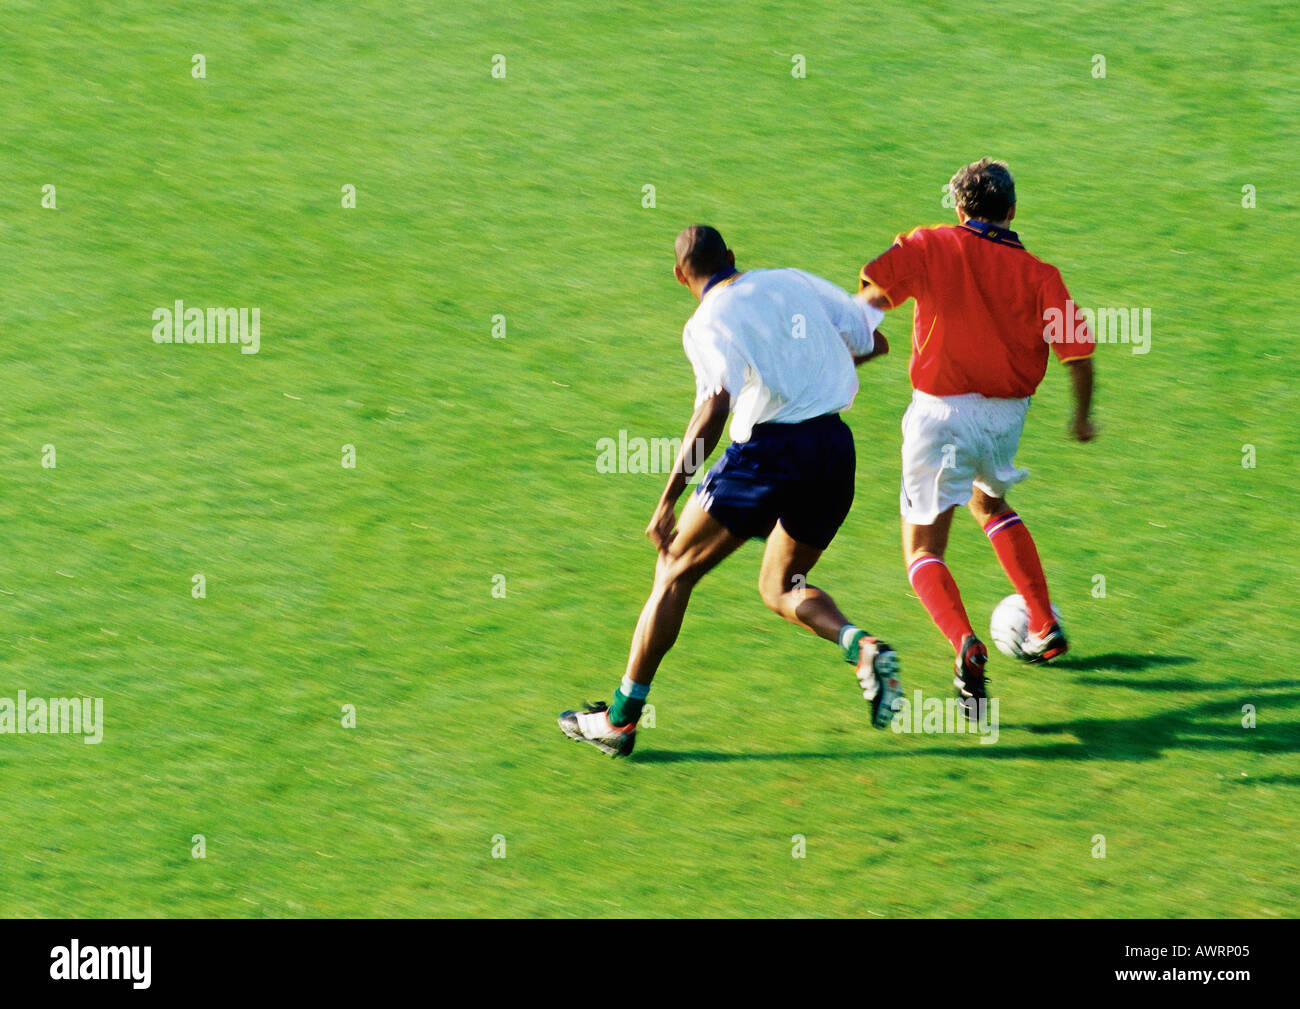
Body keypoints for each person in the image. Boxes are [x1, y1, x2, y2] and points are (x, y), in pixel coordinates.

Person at [559, 225, 901, 757]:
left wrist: (670, 494)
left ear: (680, 276)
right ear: (734, 258)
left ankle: (620, 720)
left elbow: (714, 405)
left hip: (768, 456)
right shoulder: (790, 281)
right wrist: (813, 369)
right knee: (781, 585)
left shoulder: (706, 323)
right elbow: (872, 340)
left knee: (674, 567)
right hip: (834, 451)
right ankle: (860, 645)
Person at [856, 158, 1096, 714]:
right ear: (1012, 211)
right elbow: (1078, 356)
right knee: (988, 502)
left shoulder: (931, 244)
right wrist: (1081, 418)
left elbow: (869, 301)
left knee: (922, 549)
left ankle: (965, 644)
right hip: (1007, 418)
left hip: (940, 415)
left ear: (959, 209)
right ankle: (1043, 623)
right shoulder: (1041, 274)